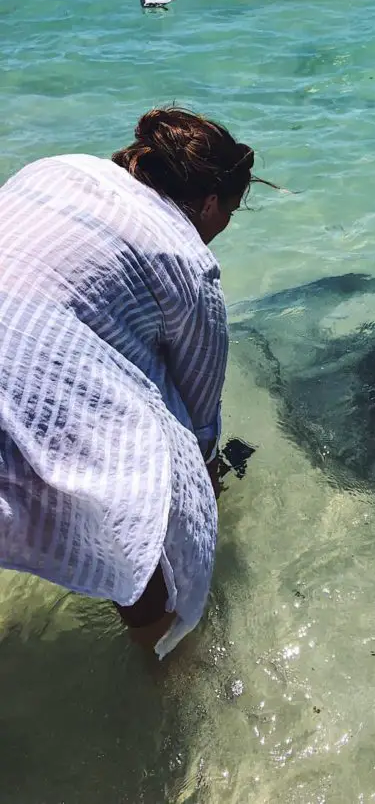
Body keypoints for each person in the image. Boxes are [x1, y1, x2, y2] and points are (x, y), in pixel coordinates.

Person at [0, 107, 271, 656]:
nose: (224, 226)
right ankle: (169, 673)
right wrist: (205, 485)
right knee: (144, 528)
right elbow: (196, 415)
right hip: (17, 378)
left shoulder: (58, 168)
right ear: (213, 203)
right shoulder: (186, 260)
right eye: (232, 211)